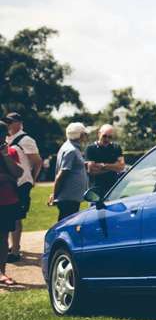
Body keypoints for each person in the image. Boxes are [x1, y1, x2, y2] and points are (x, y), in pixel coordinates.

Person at [3, 112, 41, 264]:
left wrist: (32, 179)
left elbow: (37, 162)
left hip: (22, 182)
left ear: (19, 123)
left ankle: (16, 250)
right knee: (10, 215)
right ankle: (11, 246)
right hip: (10, 182)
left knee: (17, 216)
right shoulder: (6, 138)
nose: (9, 124)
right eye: (7, 121)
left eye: (11, 121)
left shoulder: (26, 140)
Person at [48, 122, 89, 221]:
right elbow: (62, 174)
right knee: (66, 223)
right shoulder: (71, 150)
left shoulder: (72, 148)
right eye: (84, 134)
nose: (86, 136)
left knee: (67, 222)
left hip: (71, 197)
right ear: (80, 135)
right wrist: (54, 194)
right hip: (69, 197)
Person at [0, 122, 24, 286]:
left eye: (2, 134)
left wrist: (5, 155)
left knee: (2, 238)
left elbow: (18, 173)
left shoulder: (11, 151)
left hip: (7, 201)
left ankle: (1, 272)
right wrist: (5, 178)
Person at [84, 124, 125, 197]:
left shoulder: (116, 148)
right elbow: (91, 170)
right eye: (104, 136)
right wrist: (113, 167)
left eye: (110, 137)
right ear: (99, 134)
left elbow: (121, 167)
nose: (107, 139)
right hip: (96, 189)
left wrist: (102, 166)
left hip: (113, 188)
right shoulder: (90, 149)